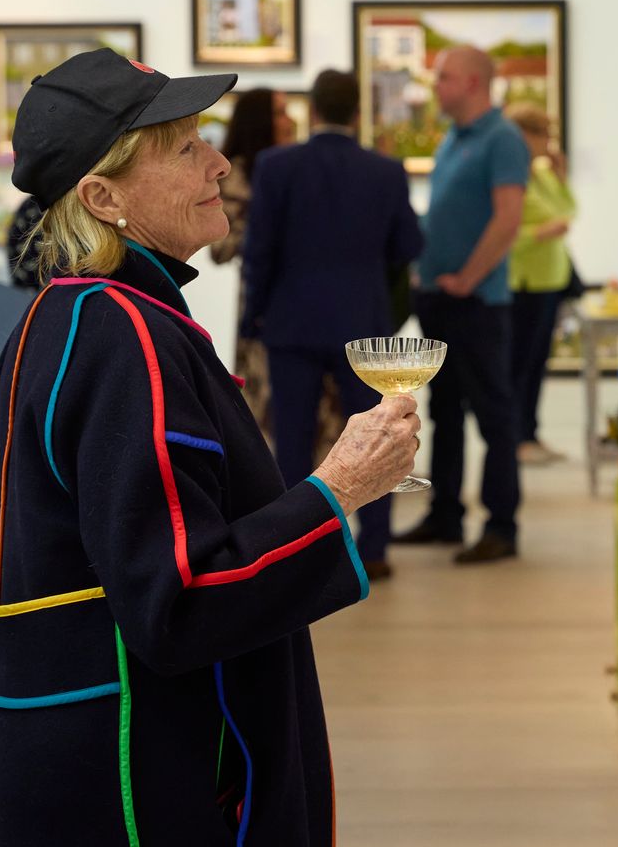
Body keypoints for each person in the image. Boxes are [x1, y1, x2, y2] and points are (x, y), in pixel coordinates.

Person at [0, 48, 419, 847]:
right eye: (182, 147)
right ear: (103, 198)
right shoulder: (127, 336)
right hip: (143, 783)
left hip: (73, 759)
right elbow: (182, 598)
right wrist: (340, 489)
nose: (219, 164)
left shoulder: (69, 317)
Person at [243, 69, 423, 580]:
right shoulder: (385, 171)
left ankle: (295, 548)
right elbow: (409, 246)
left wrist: (252, 316)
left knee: (294, 441)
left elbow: (261, 252)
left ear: (313, 111)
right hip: (363, 323)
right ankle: (376, 548)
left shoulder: (276, 166)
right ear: (357, 114)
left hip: (292, 319)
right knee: (381, 436)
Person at [395, 46, 530, 564]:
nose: (436, 86)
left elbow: (508, 219)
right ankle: (445, 515)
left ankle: (501, 526)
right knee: (444, 410)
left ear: (474, 83)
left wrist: (468, 277)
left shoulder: (502, 139)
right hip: (439, 297)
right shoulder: (454, 136)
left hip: (476, 302)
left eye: (444, 77)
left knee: (494, 415)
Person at [208, 88, 297, 444]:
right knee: (263, 417)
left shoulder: (298, 166)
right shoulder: (236, 174)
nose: (289, 120)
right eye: (280, 112)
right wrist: (266, 229)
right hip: (264, 309)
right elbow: (220, 250)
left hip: (308, 310)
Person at [504, 104, 577, 464]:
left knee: (537, 363)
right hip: (525, 282)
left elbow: (570, 209)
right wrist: (540, 232)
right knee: (520, 363)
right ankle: (517, 438)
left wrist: (561, 175)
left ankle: (531, 433)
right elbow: (505, 233)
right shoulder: (512, 177)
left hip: (551, 279)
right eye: (543, 135)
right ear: (524, 137)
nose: (547, 143)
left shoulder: (543, 175)